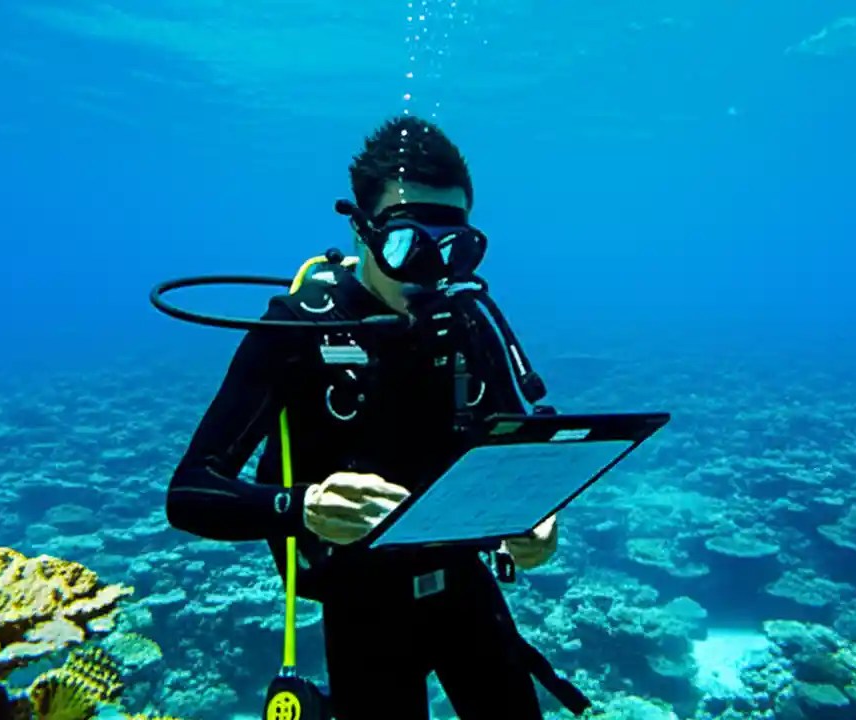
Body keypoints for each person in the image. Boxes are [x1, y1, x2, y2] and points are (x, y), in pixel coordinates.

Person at [165, 115, 581, 719]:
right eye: (406, 242)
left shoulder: (467, 323)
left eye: (454, 247)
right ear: (362, 232)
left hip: (462, 582)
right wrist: (302, 505)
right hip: (360, 601)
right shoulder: (298, 327)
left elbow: (514, 453)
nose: (433, 269)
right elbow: (190, 491)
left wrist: (534, 521)